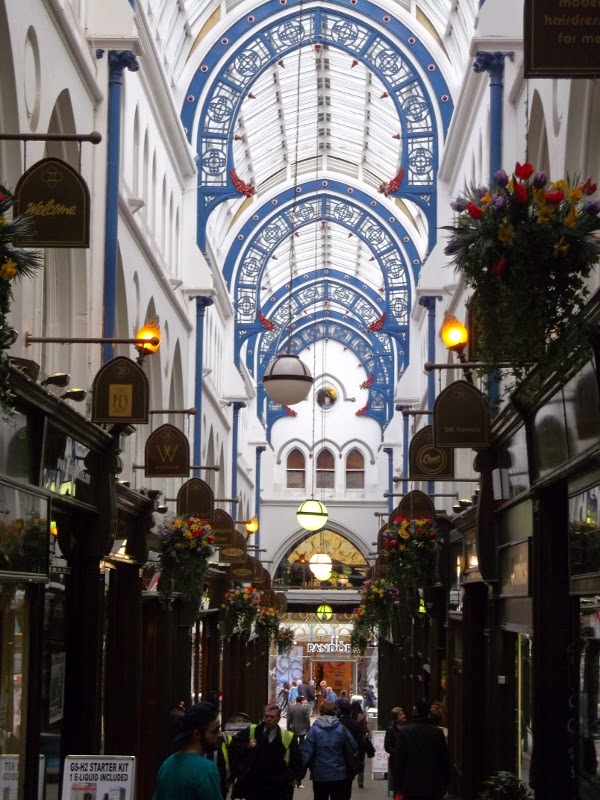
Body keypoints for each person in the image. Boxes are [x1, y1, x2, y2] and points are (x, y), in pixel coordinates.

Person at [231, 703, 304, 800]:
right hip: (255, 785)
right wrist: (247, 746)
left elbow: (297, 761)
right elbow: (234, 744)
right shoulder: (253, 730)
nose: (268, 719)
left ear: (278, 719)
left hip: (278, 787)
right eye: (266, 716)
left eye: (272, 717)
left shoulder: (288, 737)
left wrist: (289, 778)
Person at [153, 701, 223, 800]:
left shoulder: (166, 765)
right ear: (197, 734)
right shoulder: (206, 769)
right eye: (215, 730)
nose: (220, 734)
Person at [392, 698, 449, 800]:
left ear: (416, 711)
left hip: (410, 785)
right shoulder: (437, 732)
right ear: (428, 712)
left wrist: (398, 785)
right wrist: (444, 784)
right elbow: (443, 760)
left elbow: (399, 760)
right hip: (433, 787)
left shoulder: (405, 732)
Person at [302, 700, 357, 800]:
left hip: (319, 775)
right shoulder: (341, 729)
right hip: (339, 774)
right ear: (335, 712)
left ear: (321, 712)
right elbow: (354, 746)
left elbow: (307, 752)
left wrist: (300, 771)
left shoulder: (314, 730)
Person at [337, 699, 366, 789]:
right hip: (357, 744)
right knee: (360, 761)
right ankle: (360, 777)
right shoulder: (360, 717)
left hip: (344, 746)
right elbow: (364, 729)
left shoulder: (339, 722)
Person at [384, 707, 407, 796]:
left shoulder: (407, 727)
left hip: (406, 760)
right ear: (396, 718)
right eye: (401, 715)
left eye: (403, 714)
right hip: (396, 761)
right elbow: (387, 746)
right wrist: (396, 753)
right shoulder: (391, 729)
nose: (404, 716)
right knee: (397, 786)